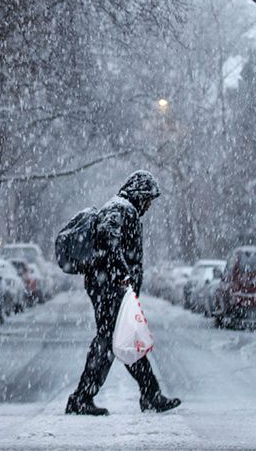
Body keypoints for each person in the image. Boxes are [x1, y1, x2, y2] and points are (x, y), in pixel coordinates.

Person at [65, 170, 181, 415]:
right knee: (110, 342)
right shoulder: (121, 208)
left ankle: (148, 394)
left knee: (122, 341)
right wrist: (121, 274)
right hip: (109, 288)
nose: (149, 205)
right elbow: (108, 237)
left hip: (109, 286)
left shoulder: (122, 208)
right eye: (148, 199)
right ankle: (83, 398)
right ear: (139, 194)